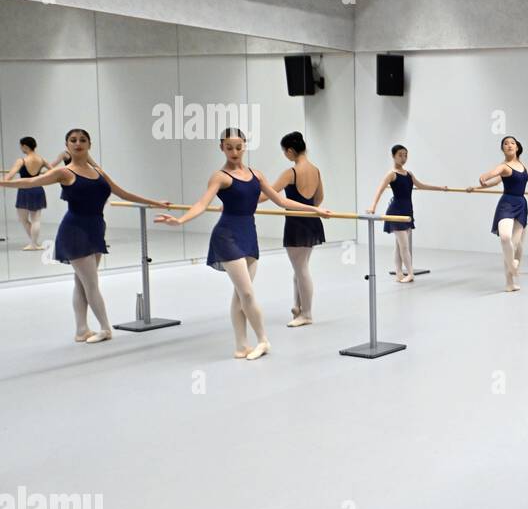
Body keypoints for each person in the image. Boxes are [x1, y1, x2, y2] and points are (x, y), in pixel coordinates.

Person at [156, 128, 330, 360]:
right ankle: (263, 340)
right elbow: (201, 204)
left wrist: (315, 210)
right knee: (247, 293)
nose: (234, 152)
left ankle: (241, 346)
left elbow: (281, 200)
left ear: (245, 146)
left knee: (239, 296)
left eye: (238, 147)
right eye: (229, 147)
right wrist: (180, 220)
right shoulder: (220, 177)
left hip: (249, 236)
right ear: (222, 148)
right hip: (226, 236)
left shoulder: (257, 175)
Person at [0, 128, 167, 341]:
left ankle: (81, 330)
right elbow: (30, 182)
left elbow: (123, 193)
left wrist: (155, 203)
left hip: (96, 228)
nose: (78, 143)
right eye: (73, 140)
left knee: (81, 283)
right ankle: (105, 328)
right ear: (67, 146)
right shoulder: (64, 172)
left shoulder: (98, 172)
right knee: (91, 283)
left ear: (89, 144)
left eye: (82, 140)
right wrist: (3, 182)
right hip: (74, 230)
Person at [271, 131, 325, 327]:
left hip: (296, 224)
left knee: (301, 270)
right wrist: (310, 207)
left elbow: (269, 193)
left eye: (284, 152)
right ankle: (298, 306)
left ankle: (307, 314)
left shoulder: (291, 173)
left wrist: (244, 200)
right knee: (300, 268)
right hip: (312, 222)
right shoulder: (316, 170)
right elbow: (319, 198)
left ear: (290, 151)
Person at [478, 136, 528, 292]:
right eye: (505, 144)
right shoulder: (504, 167)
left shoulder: (523, 167)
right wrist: (483, 178)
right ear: (503, 149)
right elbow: (493, 174)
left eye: (512, 143)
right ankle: (513, 266)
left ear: (517, 147)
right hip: (506, 204)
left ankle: (510, 283)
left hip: (521, 205)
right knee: (505, 238)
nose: (509, 145)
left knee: (515, 244)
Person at [366, 145, 438, 283]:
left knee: (399, 246)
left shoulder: (409, 174)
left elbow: (421, 185)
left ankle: (399, 273)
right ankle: (410, 273)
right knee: (404, 246)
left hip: (407, 211)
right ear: (393, 156)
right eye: (400, 155)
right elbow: (380, 190)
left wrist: (440, 188)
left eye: (405, 155)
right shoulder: (391, 174)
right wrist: (373, 207)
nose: (403, 158)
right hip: (396, 212)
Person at [5, 137, 49, 250]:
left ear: (25, 146)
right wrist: (42, 174)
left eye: (21, 146)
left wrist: (4, 179)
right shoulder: (41, 160)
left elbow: (9, 176)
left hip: (25, 189)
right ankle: (34, 243)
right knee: (36, 219)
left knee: (23, 220)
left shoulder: (21, 161)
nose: (21, 148)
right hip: (37, 189)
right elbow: (53, 171)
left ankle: (33, 244)